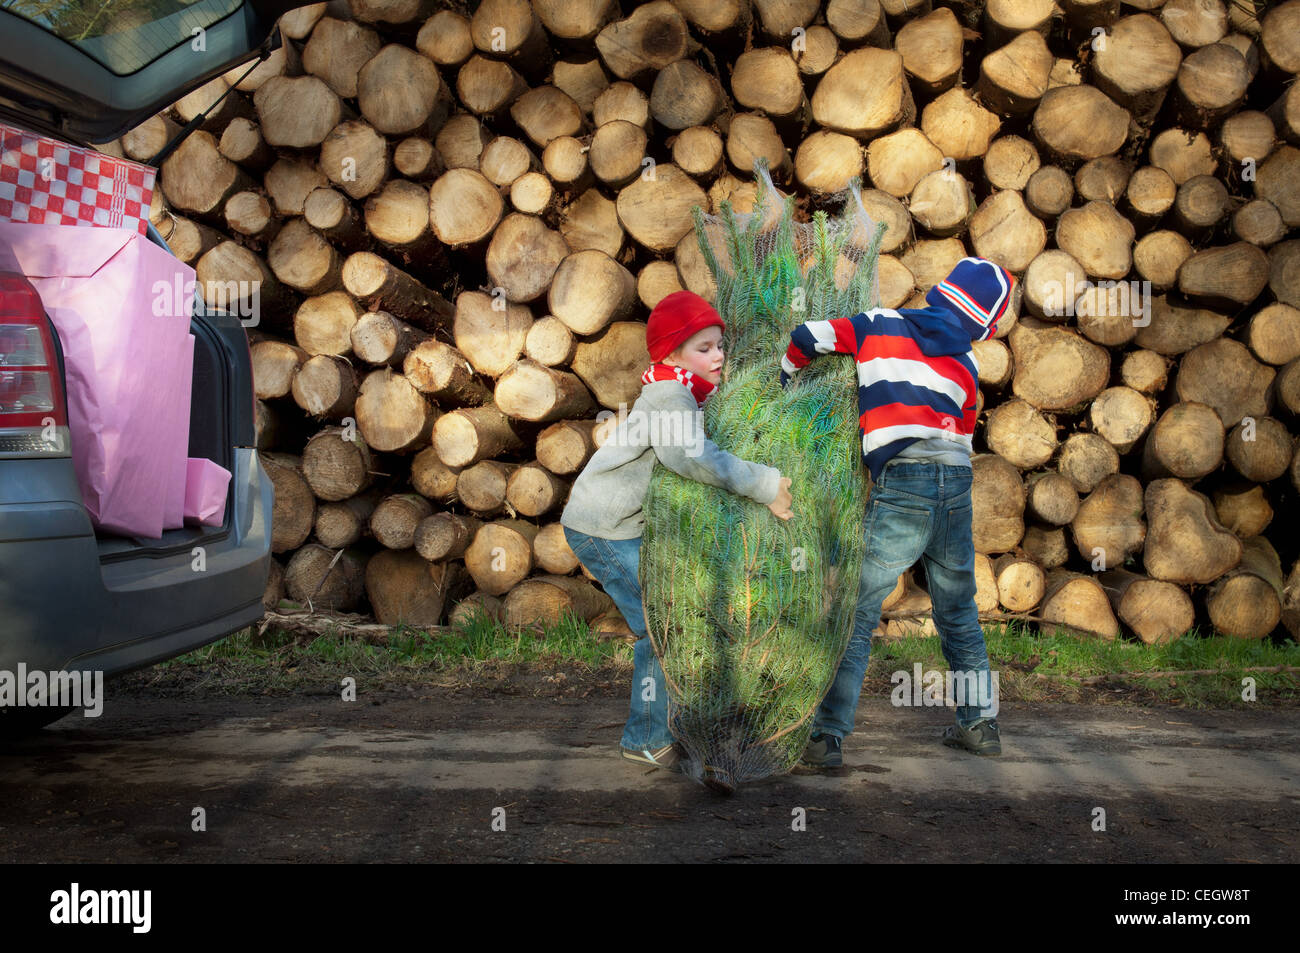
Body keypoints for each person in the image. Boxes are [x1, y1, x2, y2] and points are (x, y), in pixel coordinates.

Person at [778, 257, 1014, 767]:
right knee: (958, 609)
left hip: (903, 479)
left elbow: (807, 335)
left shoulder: (879, 324)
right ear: (985, 327)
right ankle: (979, 724)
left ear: (941, 293)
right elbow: (964, 433)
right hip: (955, 483)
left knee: (859, 610)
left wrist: (788, 378)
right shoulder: (967, 366)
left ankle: (827, 736)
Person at [561, 290, 794, 771]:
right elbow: (690, 456)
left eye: (718, 345)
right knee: (660, 628)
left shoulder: (678, 391)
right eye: (703, 348)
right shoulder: (670, 396)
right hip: (602, 528)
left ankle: (672, 724)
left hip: (620, 526)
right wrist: (765, 483)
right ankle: (645, 738)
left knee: (672, 617)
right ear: (670, 354)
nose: (718, 356)